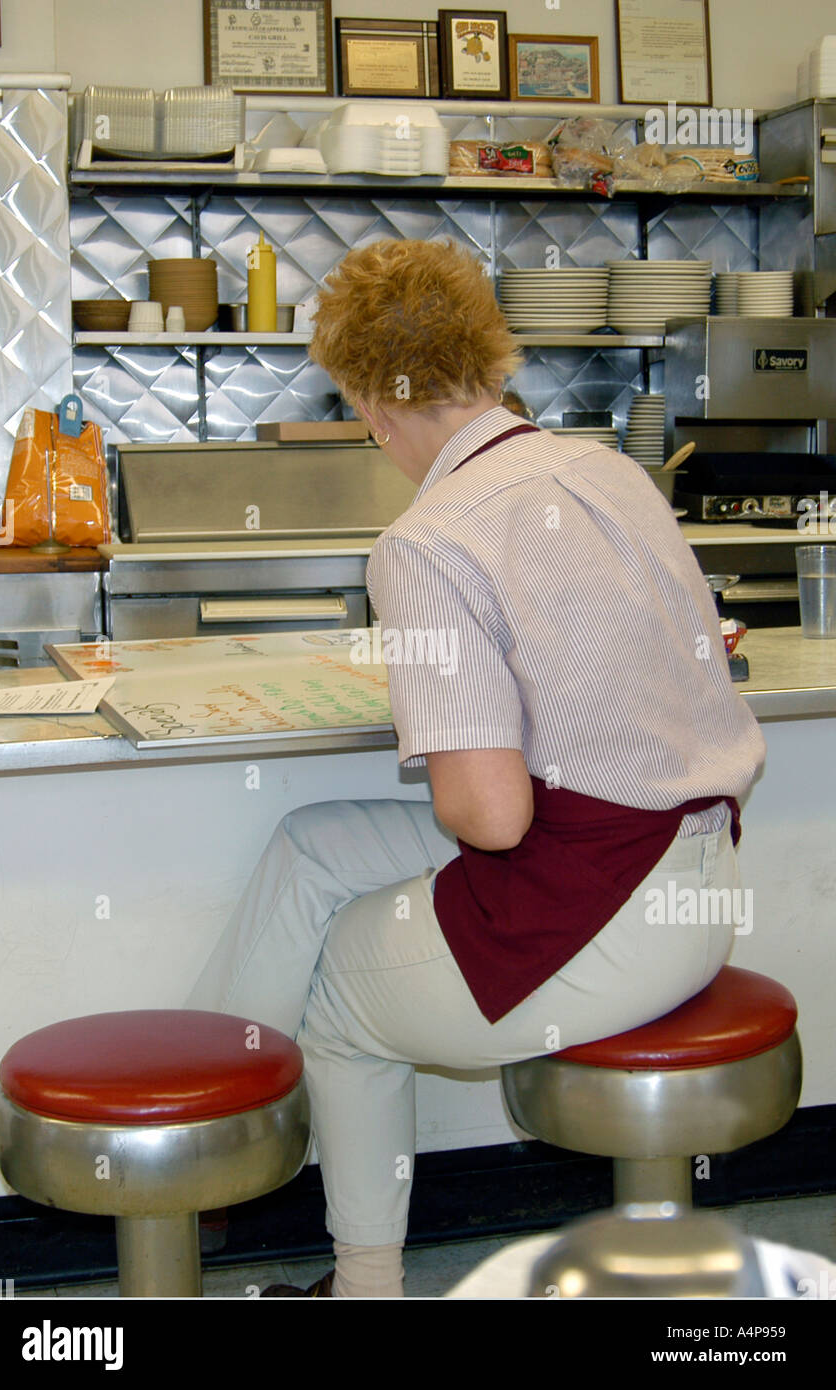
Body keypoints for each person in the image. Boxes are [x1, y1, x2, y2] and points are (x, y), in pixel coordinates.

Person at [186, 238, 766, 1298]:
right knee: (313, 844)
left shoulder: (426, 542)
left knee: (343, 1004)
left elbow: (489, 818)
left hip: (601, 911)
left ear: (367, 396)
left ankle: (360, 1284)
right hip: (702, 887)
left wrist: (443, 702)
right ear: (490, 361)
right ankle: (212, 1119)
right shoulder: (612, 470)